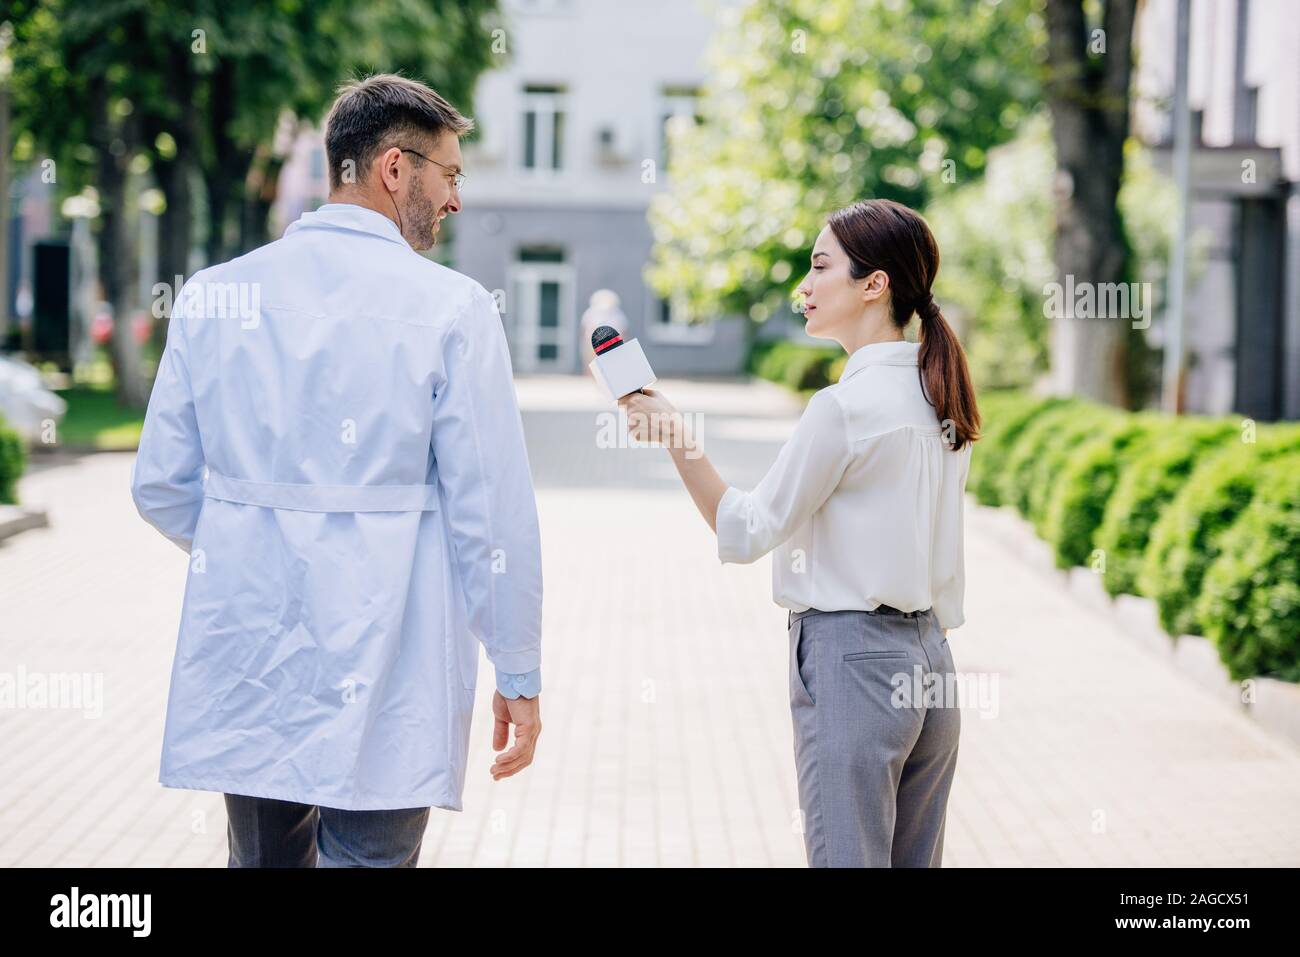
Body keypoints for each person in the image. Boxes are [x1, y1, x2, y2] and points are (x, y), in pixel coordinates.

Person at [130, 74, 543, 868]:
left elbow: (159, 484)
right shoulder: (453, 310)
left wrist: (256, 543)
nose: (455, 199)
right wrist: (517, 668)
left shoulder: (216, 297)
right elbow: (490, 516)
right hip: (396, 655)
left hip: (251, 652)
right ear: (395, 169)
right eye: (451, 174)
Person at [619, 198, 978, 867]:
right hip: (934, 664)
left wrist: (675, 435)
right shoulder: (943, 400)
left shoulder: (843, 408)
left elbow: (747, 528)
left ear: (876, 285)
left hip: (854, 660)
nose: (803, 287)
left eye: (820, 267)